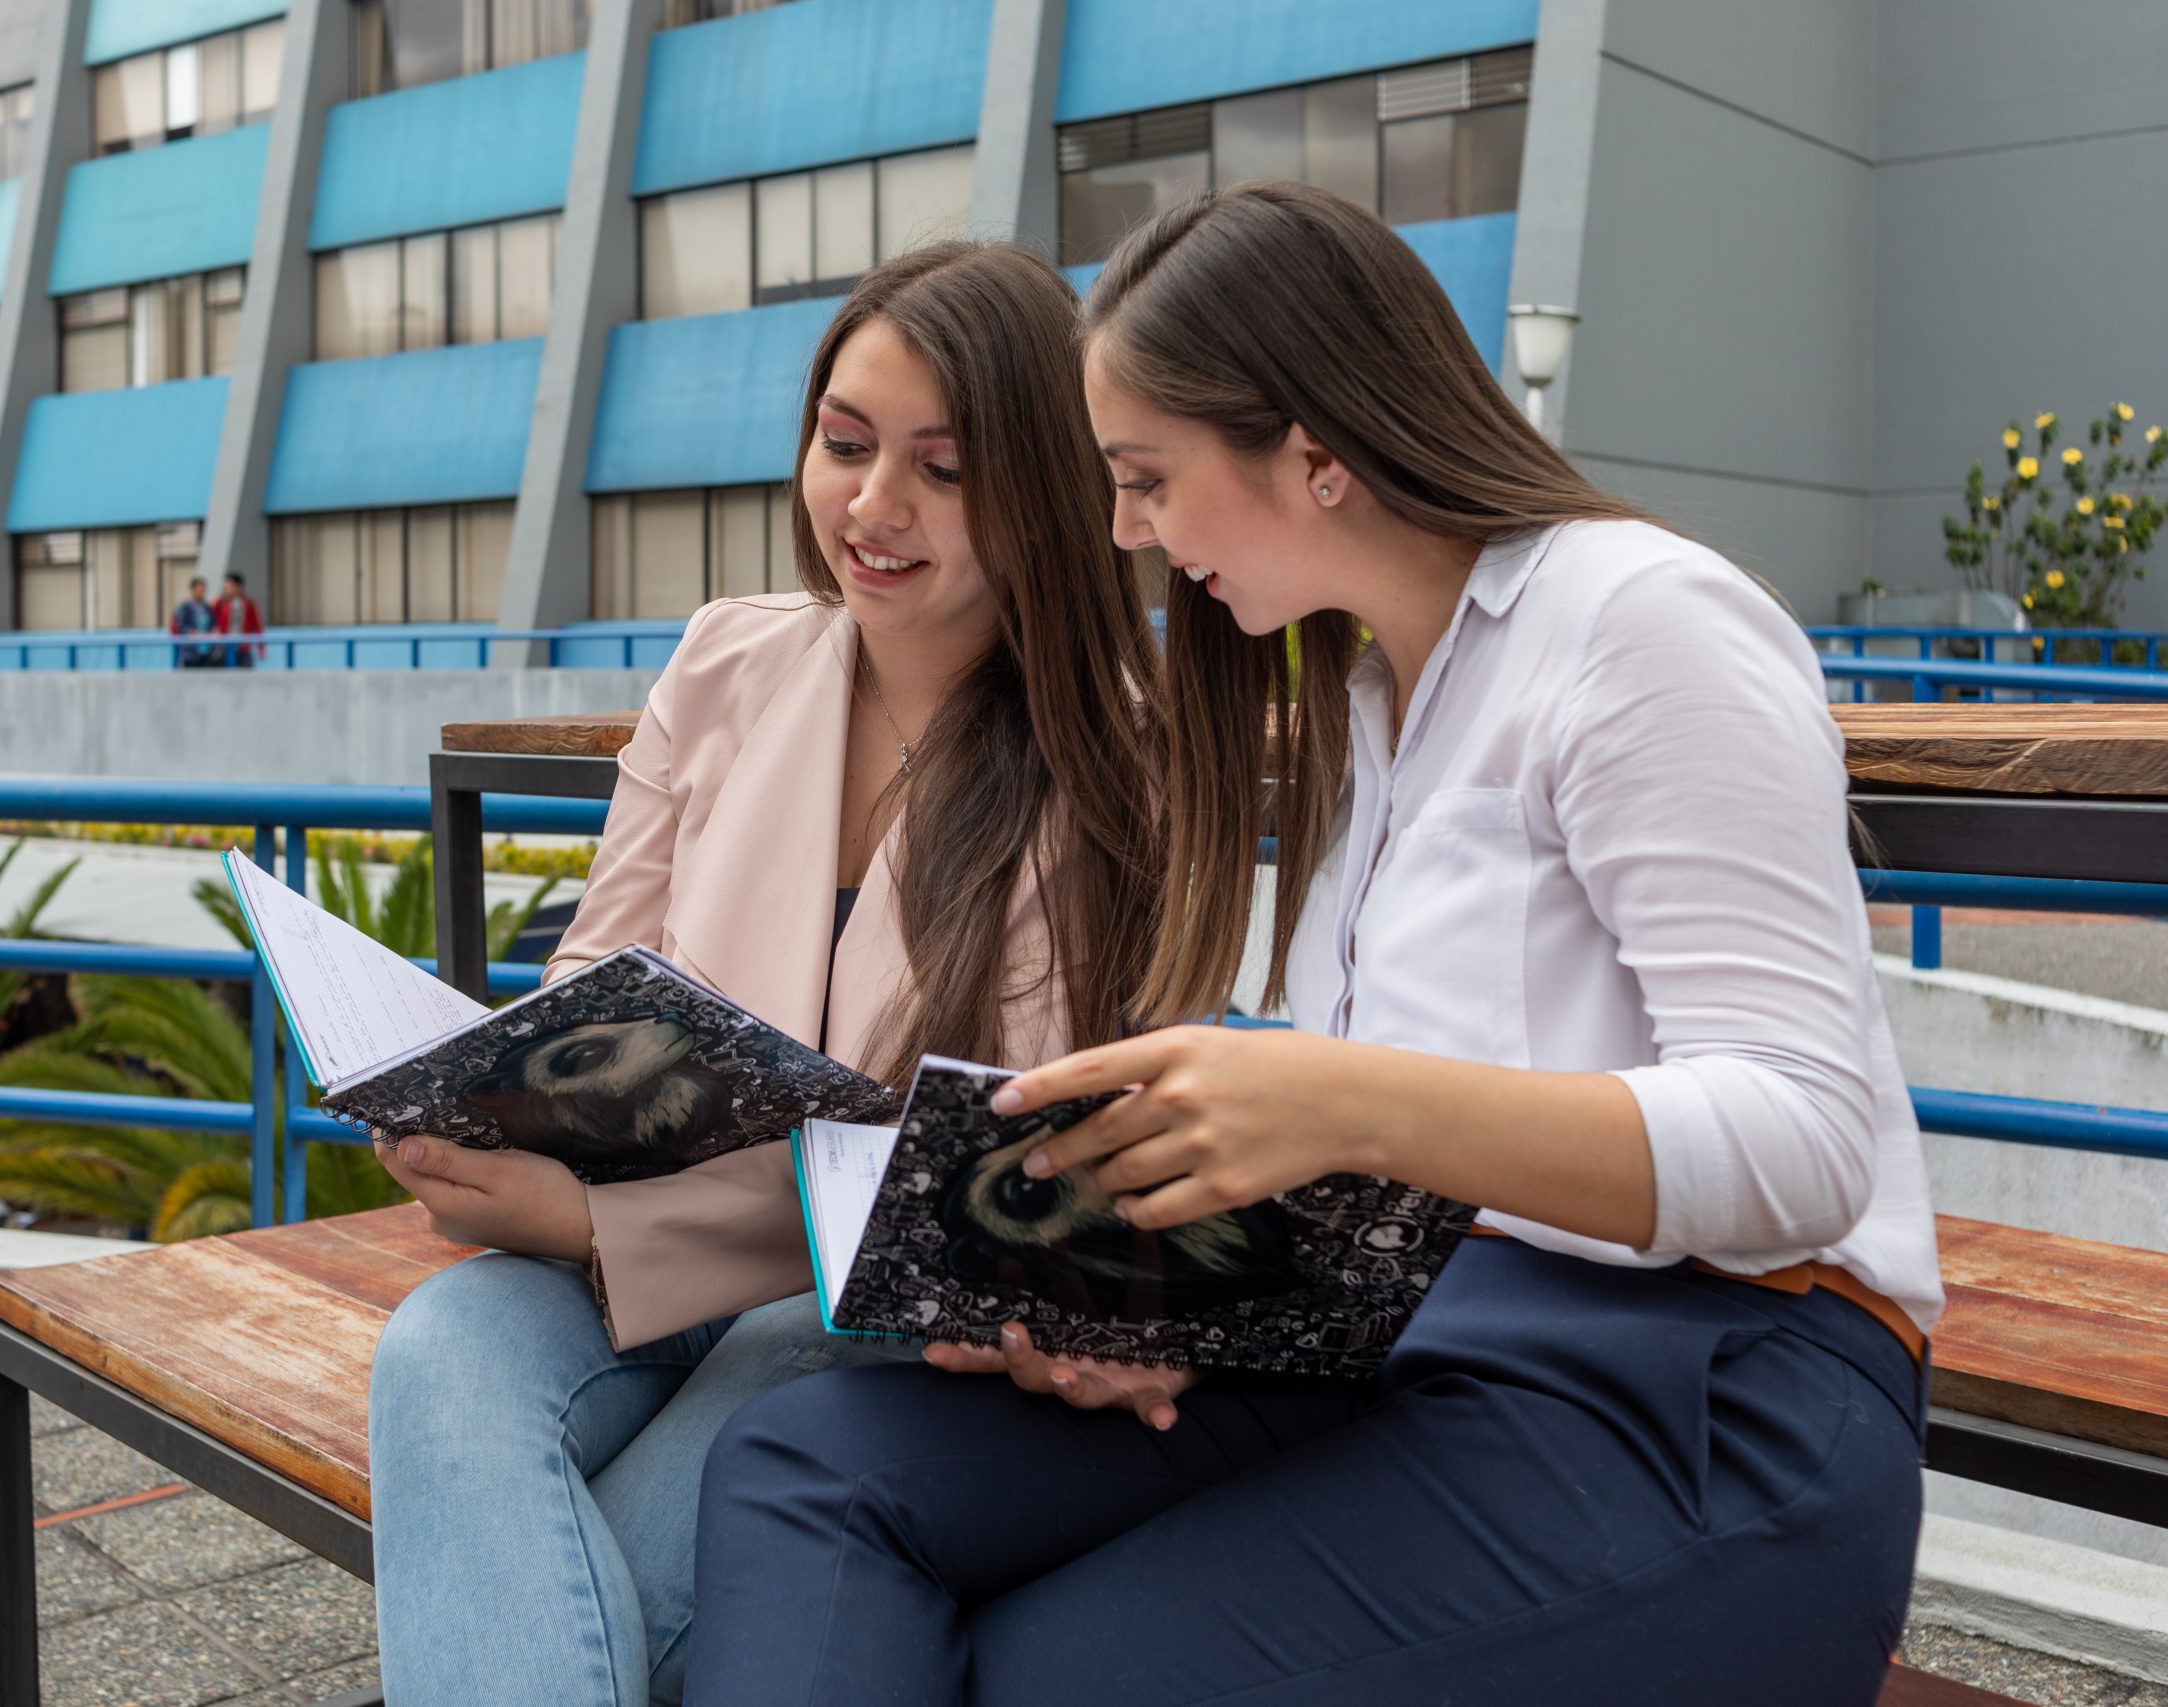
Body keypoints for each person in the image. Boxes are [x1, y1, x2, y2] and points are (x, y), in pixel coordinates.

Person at [686, 181, 1942, 1707]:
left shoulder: (1642, 623)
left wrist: (1338, 1099)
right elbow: (1389, 1178)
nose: (1122, 529)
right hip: (1412, 1330)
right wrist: (1138, 1311)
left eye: (1145, 476)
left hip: (1720, 1384)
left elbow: (1808, 1142)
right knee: (807, 1464)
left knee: (1045, 1670)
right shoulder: (1364, 701)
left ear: (1315, 454)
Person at [363, 240, 1166, 1707]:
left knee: (644, 1537)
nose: (873, 506)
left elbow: (966, 1161)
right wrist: (487, 1102)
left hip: (855, 1308)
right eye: (845, 444)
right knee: (436, 1349)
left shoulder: (1104, 755)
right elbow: (605, 971)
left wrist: (602, 1225)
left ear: (1045, 487)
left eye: (943, 465)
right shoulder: (728, 660)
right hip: (606, 1237)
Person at [214, 571, 264, 666]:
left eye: (228, 586)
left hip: (243, 648)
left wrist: (261, 648)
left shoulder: (249, 603)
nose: (225, 589)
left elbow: (257, 627)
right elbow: (212, 620)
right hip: (225, 648)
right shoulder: (220, 603)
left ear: (237, 586)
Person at [169, 576, 219, 667]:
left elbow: (213, 624)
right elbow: (181, 626)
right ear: (192, 590)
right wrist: (192, 633)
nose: (201, 593)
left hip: (205, 651)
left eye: (203, 590)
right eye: (199, 590)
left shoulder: (206, 607)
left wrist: (213, 632)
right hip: (190, 653)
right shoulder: (185, 606)